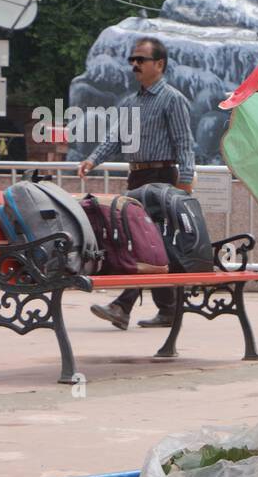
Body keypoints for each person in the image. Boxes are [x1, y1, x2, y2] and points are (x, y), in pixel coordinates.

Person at [78, 37, 195, 329]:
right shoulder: (132, 102)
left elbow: (184, 143)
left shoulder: (173, 99)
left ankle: (122, 306)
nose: (134, 65)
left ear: (159, 64)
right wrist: (93, 160)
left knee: (144, 241)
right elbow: (116, 137)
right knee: (151, 243)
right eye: (132, 60)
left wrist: (186, 180)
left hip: (162, 179)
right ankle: (167, 309)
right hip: (138, 176)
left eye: (141, 60)